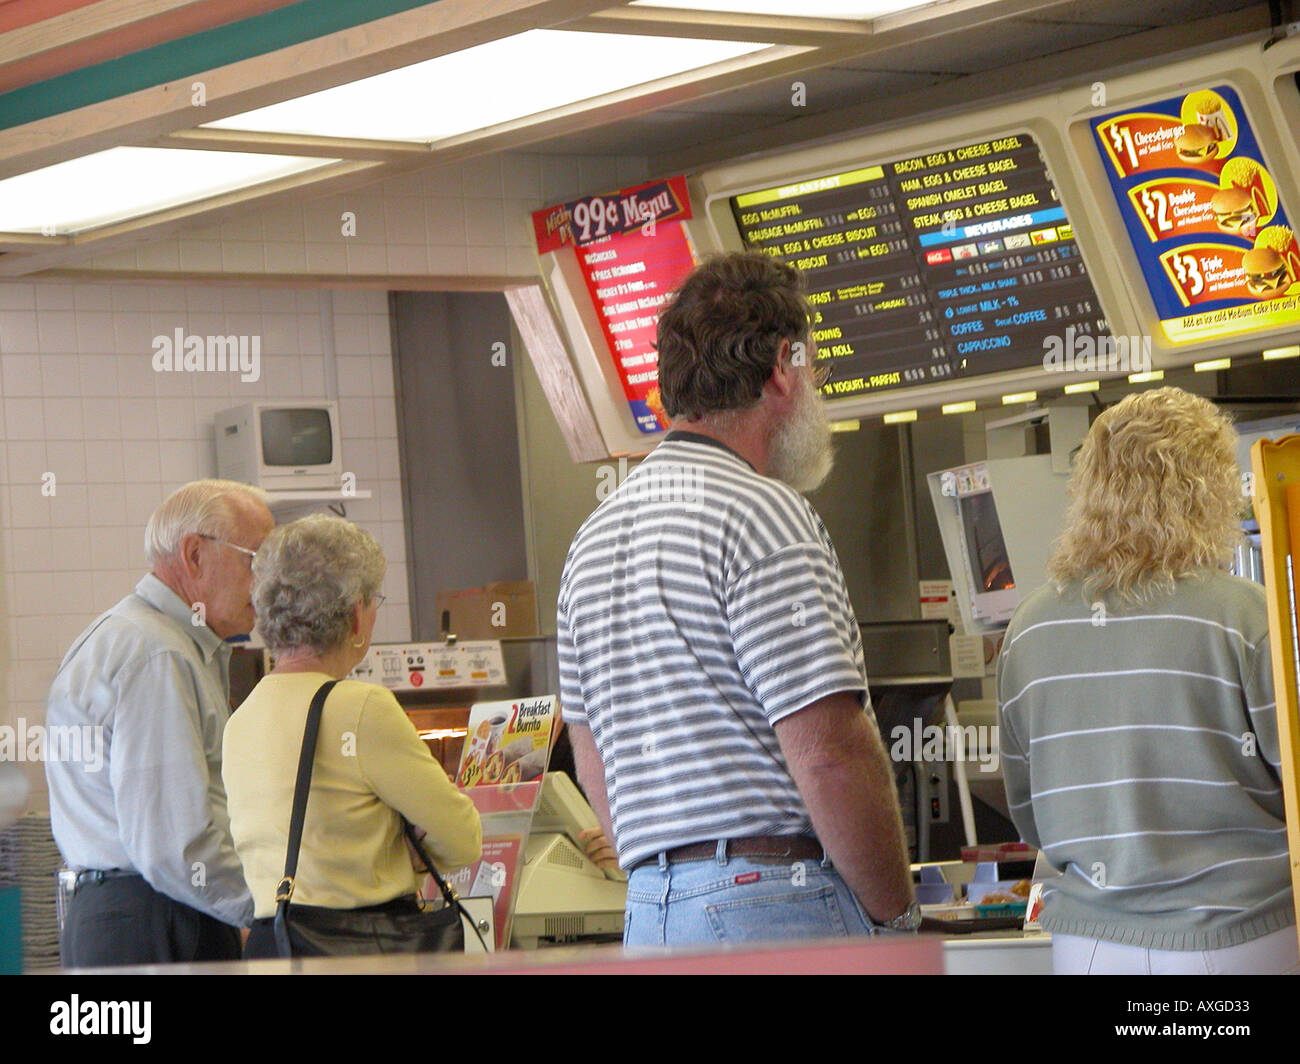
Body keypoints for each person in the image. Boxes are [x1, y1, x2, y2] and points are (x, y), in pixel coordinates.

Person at [557, 252, 915, 947]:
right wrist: (894, 911)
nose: (816, 385)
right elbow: (828, 751)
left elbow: (589, 748)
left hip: (652, 911)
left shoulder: (593, 537)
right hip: (769, 905)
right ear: (782, 366)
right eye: (812, 367)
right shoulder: (762, 513)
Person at [997, 387, 1296, 975]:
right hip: (1239, 939)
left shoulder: (1028, 628)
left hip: (1087, 949)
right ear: (1209, 490)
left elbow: (1029, 812)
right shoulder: (1245, 616)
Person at [223, 514, 481, 958]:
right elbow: (461, 836)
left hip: (273, 944)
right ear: (356, 614)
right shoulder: (361, 707)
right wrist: (404, 856)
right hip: (358, 946)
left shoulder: (240, 718)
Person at [47, 479, 274, 966]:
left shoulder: (141, 636)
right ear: (195, 555)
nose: (269, 585)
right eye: (257, 561)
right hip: (156, 918)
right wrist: (269, 914)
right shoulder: (158, 655)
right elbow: (175, 846)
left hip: (129, 914)